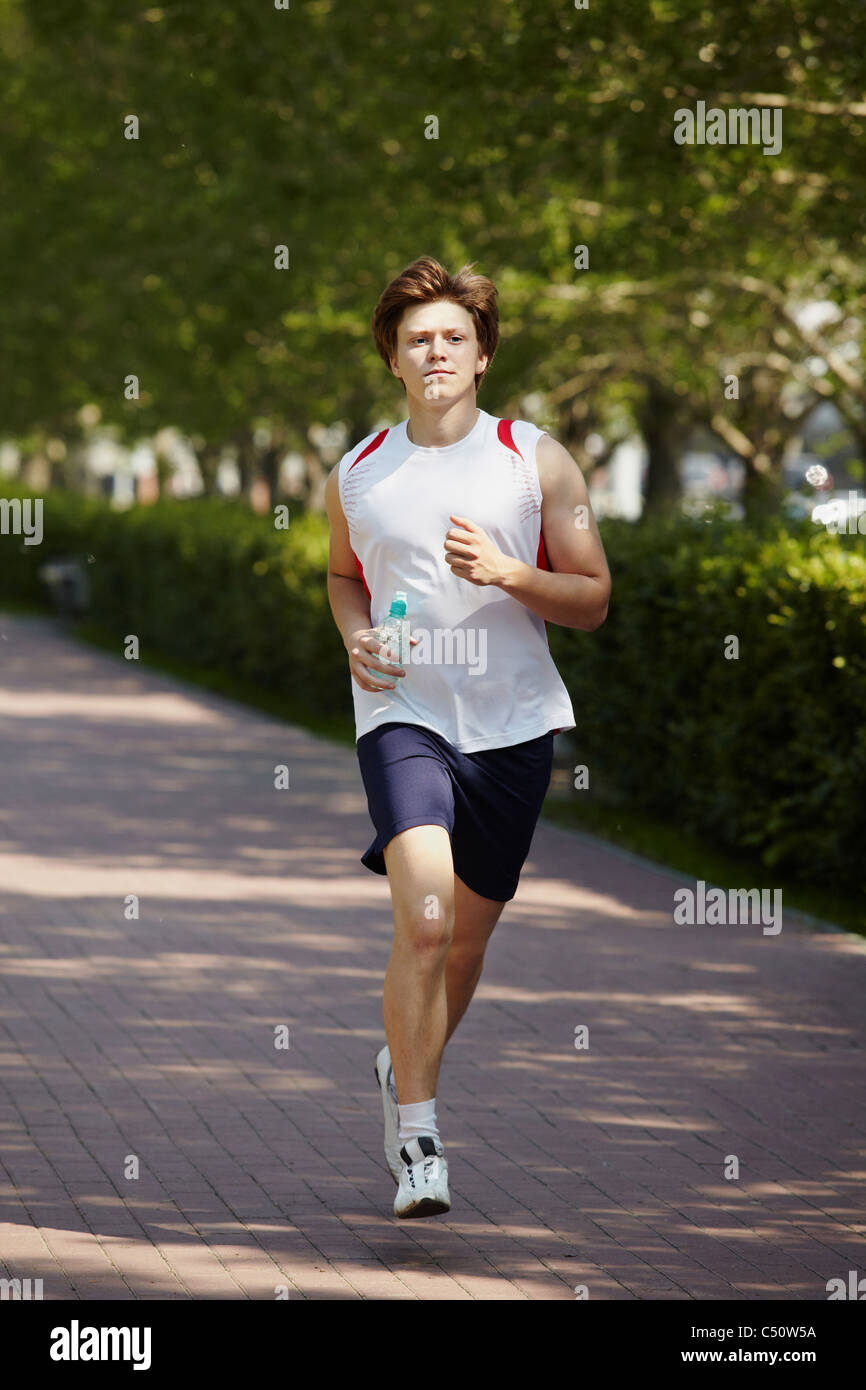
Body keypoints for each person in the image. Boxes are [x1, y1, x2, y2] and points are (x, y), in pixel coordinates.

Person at [324, 256, 610, 1218]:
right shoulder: (359, 472)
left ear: (482, 353)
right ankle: (419, 1143)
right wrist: (358, 638)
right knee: (429, 919)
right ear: (395, 362)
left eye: (453, 336)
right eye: (417, 341)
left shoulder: (538, 460)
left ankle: (398, 1060)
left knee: (462, 948)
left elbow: (593, 599)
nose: (435, 352)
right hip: (403, 715)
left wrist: (509, 573)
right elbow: (341, 576)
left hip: (514, 728)